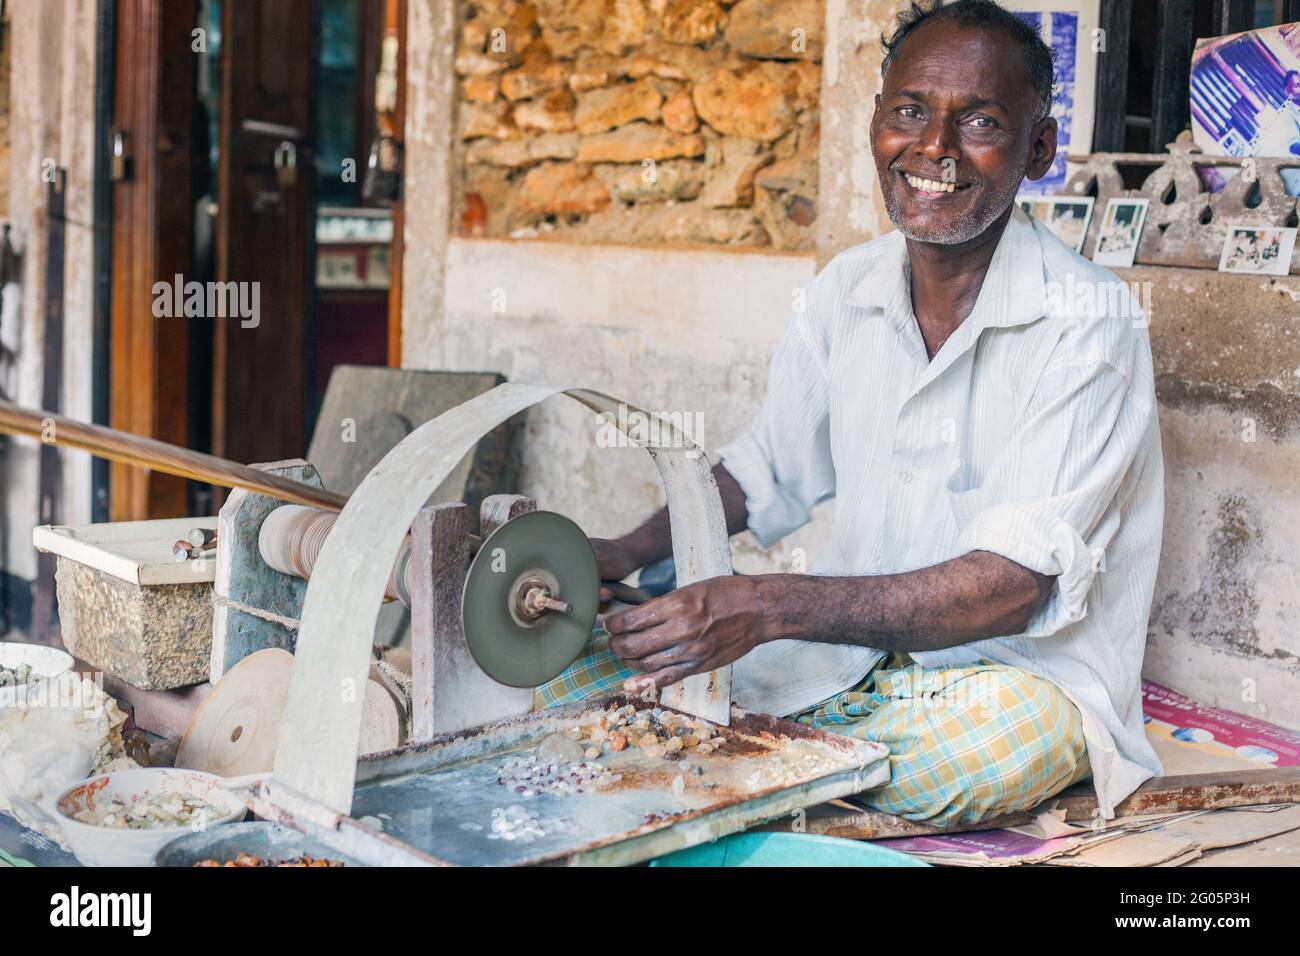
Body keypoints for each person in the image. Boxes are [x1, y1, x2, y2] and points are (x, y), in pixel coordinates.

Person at [542, 0, 1164, 825]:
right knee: (561, 668)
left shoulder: (1090, 321)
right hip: (840, 653)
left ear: (1038, 150)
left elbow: (1010, 590)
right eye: (910, 112)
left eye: (979, 121)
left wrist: (766, 607)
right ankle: (786, 777)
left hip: (1005, 673)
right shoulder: (845, 289)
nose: (934, 150)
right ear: (876, 122)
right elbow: (768, 471)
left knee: (987, 754)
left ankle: (754, 770)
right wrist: (623, 552)